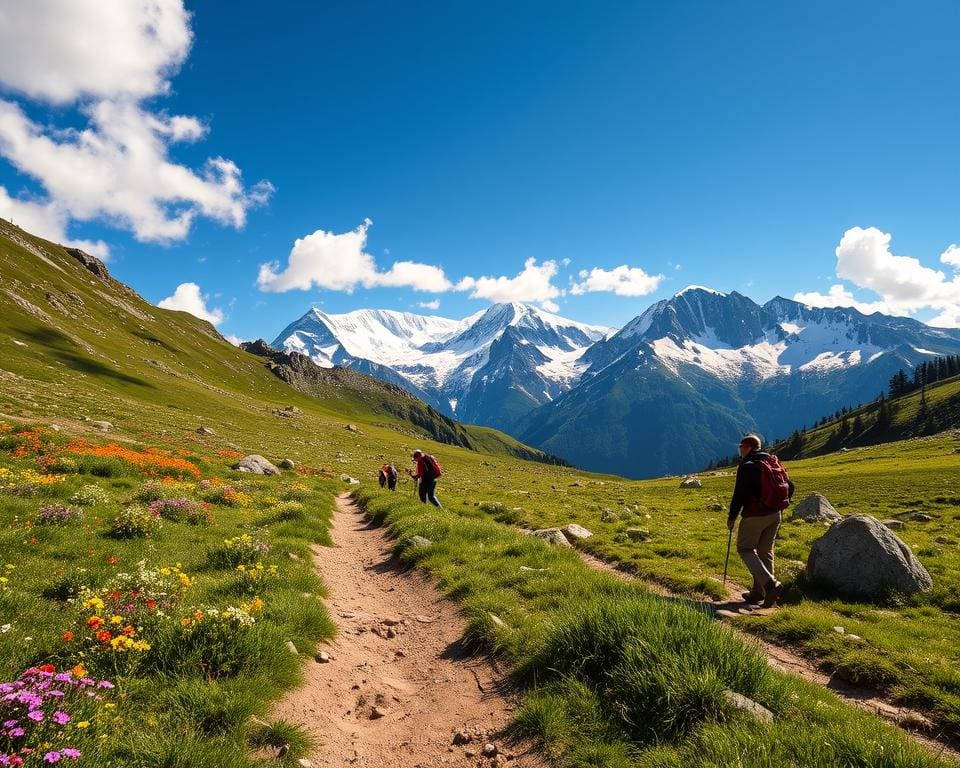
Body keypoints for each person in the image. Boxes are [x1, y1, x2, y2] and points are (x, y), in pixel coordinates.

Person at [727, 434, 794, 607]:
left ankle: (770, 585)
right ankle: (759, 593)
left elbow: (739, 494)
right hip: (775, 514)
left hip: (755, 514)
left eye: (741, 447)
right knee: (765, 551)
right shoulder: (772, 461)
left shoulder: (748, 465)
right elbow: (790, 486)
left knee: (745, 549)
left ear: (748, 447)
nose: (740, 450)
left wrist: (732, 517)